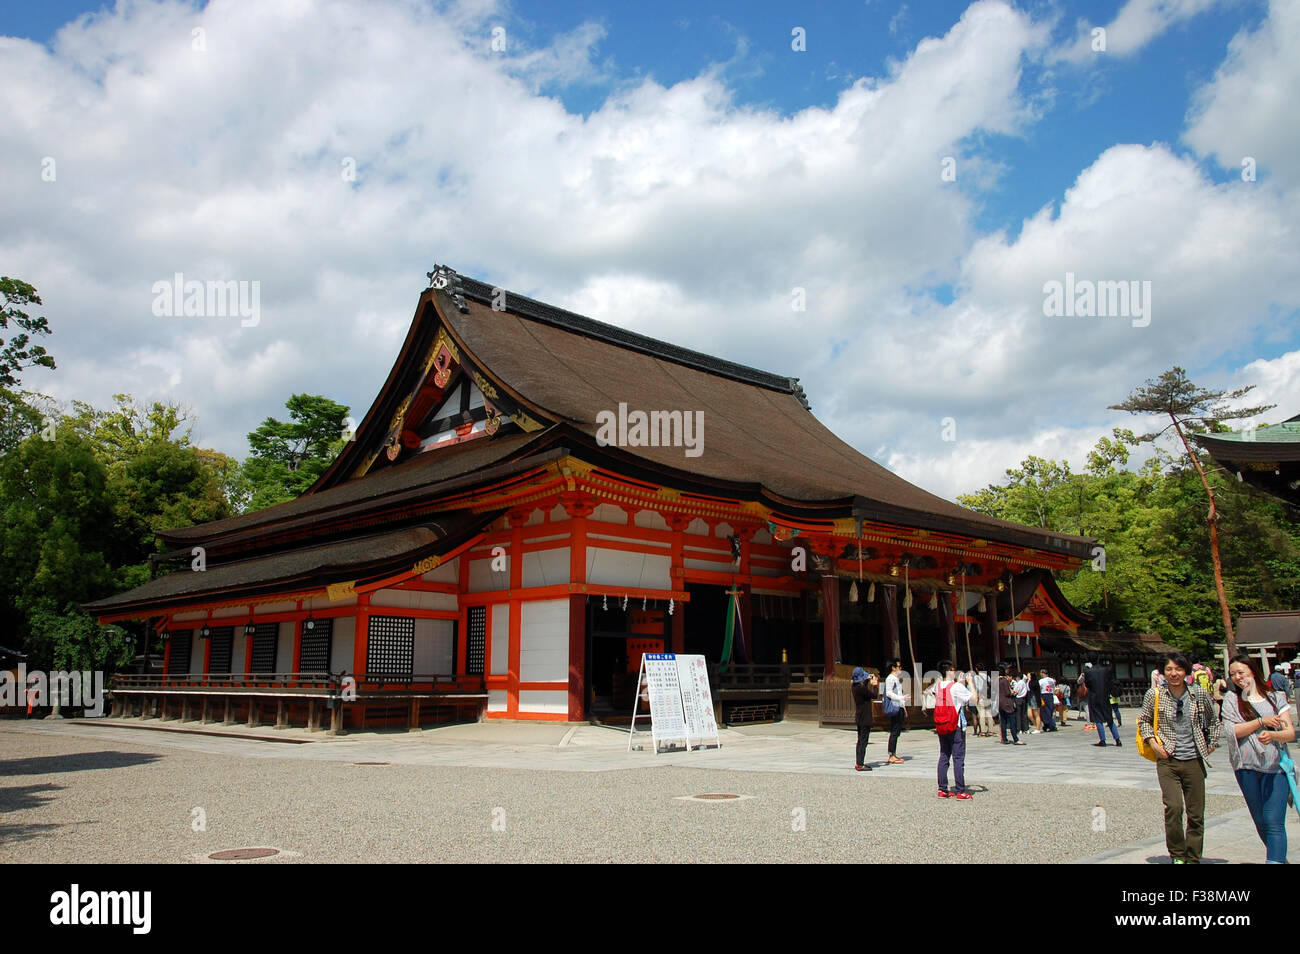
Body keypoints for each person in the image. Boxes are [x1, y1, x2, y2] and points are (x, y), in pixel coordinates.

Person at [1138, 652, 1221, 864]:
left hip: (1194, 759)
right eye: (1169, 669)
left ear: (1186, 671)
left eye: (1178, 669)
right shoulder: (1154, 694)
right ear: (1162, 672)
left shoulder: (1199, 694)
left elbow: (1214, 722)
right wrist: (1154, 744)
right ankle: (1177, 854)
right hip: (1168, 760)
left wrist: (1210, 745)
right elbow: (1144, 721)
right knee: (1173, 807)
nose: (1174, 673)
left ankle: (1193, 857)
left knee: (1196, 814)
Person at [1222, 653, 1295, 864]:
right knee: (1261, 821)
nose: (1237, 677)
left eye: (1241, 672)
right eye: (1233, 674)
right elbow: (1232, 731)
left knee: (1274, 821)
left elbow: (1289, 733)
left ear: (1253, 671)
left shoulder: (1275, 698)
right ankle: (1279, 859)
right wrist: (1261, 722)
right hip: (1246, 767)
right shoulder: (1231, 700)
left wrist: (1273, 735)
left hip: (1276, 767)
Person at [934, 660, 975, 800]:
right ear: (949, 671)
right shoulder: (956, 686)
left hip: (941, 724)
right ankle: (960, 790)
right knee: (958, 758)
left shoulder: (937, 686)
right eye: (953, 670)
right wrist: (970, 683)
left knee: (944, 755)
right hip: (955, 725)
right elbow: (973, 698)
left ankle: (942, 788)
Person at [1084, 662, 1121, 747]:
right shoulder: (1105, 670)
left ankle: (1102, 740)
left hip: (1094, 696)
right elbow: (1110, 682)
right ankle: (1117, 739)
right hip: (1105, 696)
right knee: (1109, 719)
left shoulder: (1088, 672)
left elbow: (1087, 684)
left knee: (1098, 719)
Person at [852, 667, 878, 771]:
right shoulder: (861, 688)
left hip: (859, 716)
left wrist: (867, 679)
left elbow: (864, 689)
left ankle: (859, 762)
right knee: (863, 741)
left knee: (860, 741)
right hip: (865, 717)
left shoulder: (854, 686)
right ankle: (860, 764)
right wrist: (875, 685)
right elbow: (874, 695)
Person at [883, 658, 908, 765]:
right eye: (899, 666)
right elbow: (888, 693)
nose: (900, 668)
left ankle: (893, 753)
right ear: (893, 668)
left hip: (899, 706)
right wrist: (900, 698)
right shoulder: (890, 679)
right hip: (895, 707)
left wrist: (904, 707)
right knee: (894, 731)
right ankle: (891, 754)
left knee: (896, 731)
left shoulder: (896, 679)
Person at [998, 666, 1024, 745]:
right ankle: (1015, 739)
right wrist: (1013, 692)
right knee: (1012, 720)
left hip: (1000, 703)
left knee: (1003, 721)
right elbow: (1007, 693)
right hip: (1007, 703)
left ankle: (1004, 738)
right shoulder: (1004, 681)